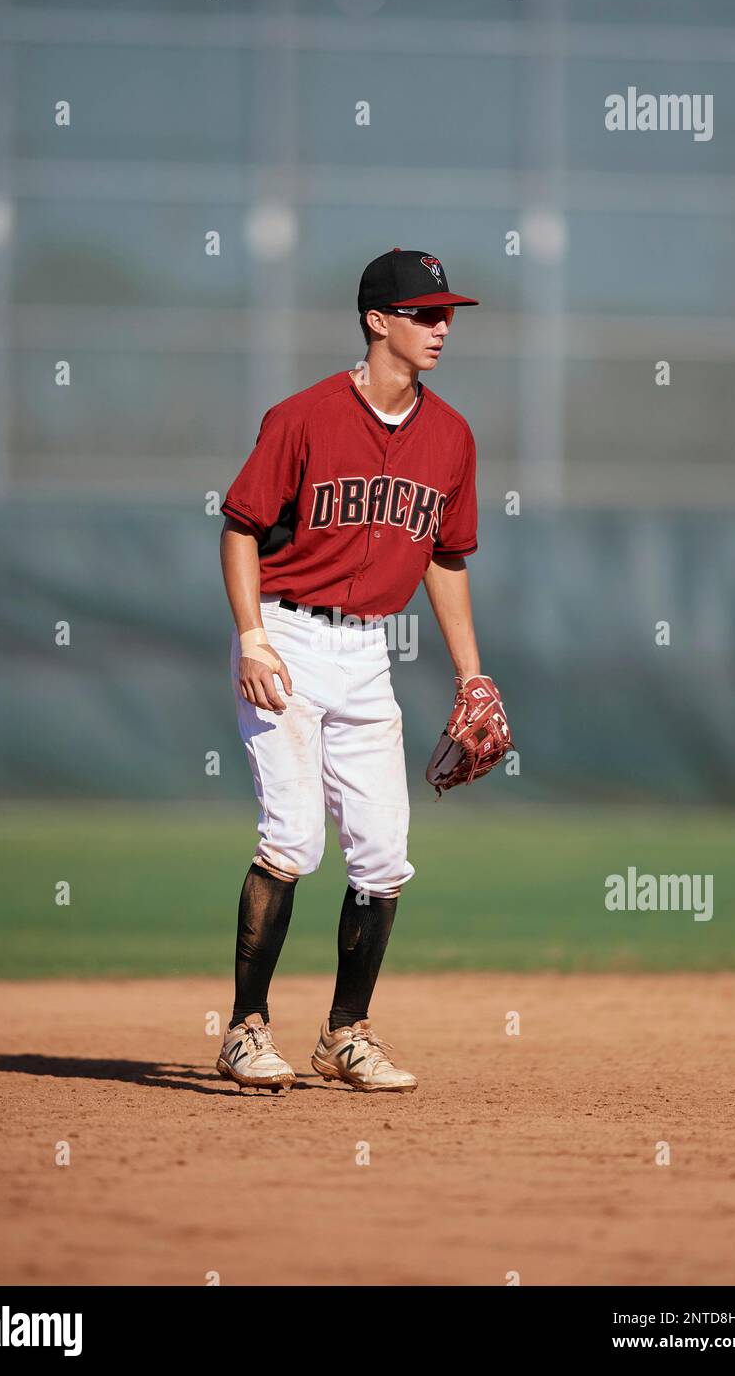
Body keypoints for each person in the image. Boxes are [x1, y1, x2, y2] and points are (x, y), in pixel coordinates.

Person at [216, 247, 505, 1094]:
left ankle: (346, 1035)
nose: (441, 326)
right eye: (425, 312)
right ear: (379, 321)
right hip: (287, 638)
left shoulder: (451, 437)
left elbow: (447, 559)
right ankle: (243, 1030)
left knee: (383, 856)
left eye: (447, 314)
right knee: (295, 840)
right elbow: (240, 528)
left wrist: (471, 676)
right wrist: (250, 638)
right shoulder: (301, 417)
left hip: (367, 651)